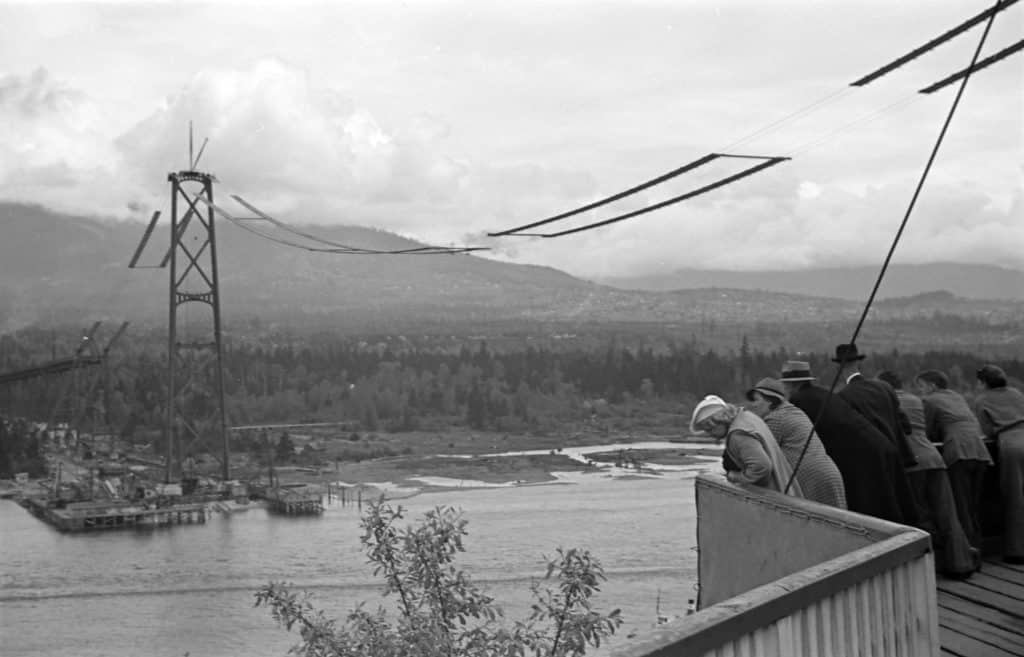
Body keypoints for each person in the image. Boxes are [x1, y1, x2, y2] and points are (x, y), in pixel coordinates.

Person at [780, 360, 917, 525]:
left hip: (862, 457)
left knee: (872, 512)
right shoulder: (823, 393)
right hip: (879, 446)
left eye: (786, 384)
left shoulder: (799, 401)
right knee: (891, 506)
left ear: (791, 385)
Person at [877, 370, 979, 578]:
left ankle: (926, 570)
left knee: (920, 516)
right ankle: (961, 564)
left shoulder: (888, 402)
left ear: (884, 387)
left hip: (911, 464)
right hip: (934, 458)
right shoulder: (916, 400)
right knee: (948, 515)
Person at [916, 369, 993, 549]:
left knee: (961, 505)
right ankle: (978, 546)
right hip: (979, 451)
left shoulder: (930, 400)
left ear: (932, 386)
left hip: (958, 451)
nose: (920, 391)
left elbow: (926, 429)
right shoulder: (957, 397)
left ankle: (967, 551)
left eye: (921, 387)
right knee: (973, 505)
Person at [745, 377, 846, 508]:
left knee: (812, 523)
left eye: (756, 400)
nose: (753, 405)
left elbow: (759, 456)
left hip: (811, 479)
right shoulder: (792, 412)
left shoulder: (775, 419)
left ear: (769, 401)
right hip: (828, 474)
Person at [689, 394, 803, 496]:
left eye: (709, 429)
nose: (710, 435)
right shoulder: (747, 416)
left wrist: (734, 477)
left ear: (717, 421)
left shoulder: (738, 434)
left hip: (776, 496)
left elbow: (761, 467)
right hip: (787, 488)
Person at [833, 343, 917, 468]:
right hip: (897, 459)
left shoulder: (843, 396)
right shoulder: (885, 387)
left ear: (839, 368)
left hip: (870, 461)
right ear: (859, 364)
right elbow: (906, 426)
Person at [973, 364, 1024, 564]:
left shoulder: (982, 400)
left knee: (1015, 498)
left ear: (983, 382)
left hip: (1011, 444)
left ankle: (1016, 552)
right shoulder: (1017, 393)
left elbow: (988, 431)